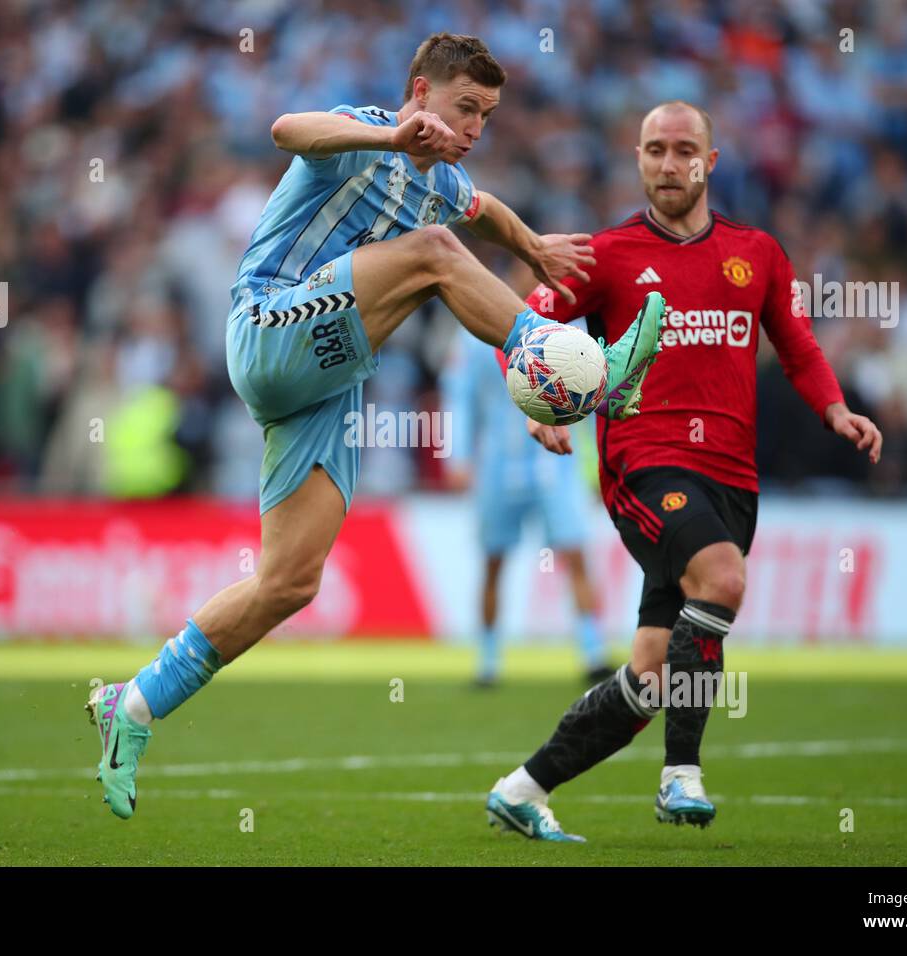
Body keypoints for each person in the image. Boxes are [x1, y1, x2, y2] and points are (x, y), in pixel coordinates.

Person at [85, 33, 663, 819]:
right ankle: (573, 366)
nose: (474, 127)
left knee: (290, 581)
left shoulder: (444, 182)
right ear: (421, 92)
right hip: (269, 325)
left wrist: (533, 247)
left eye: (487, 115)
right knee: (433, 253)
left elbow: (483, 209)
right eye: (465, 107)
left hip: (325, 381)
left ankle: (134, 704)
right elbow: (286, 130)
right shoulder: (364, 134)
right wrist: (389, 136)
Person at [485, 100, 883, 841]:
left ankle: (523, 788)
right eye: (654, 150)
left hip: (733, 478)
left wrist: (835, 409)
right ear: (637, 158)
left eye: (683, 150)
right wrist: (535, 404)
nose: (669, 164)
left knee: (650, 676)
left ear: (710, 161)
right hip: (644, 465)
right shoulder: (605, 255)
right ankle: (681, 775)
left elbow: (797, 346)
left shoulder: (757, 253)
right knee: (723, 579)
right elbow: (520, 324)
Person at [442, 327, 614, 685]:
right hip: (498, 463)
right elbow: (460, 395)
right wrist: (458, 456)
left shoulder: (566, 328)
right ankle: (488, 661)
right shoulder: (474, 333)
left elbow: (590, 397)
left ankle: (593, 653)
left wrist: (597, 465)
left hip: (556, 462)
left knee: (575, 553)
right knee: (493, 561)